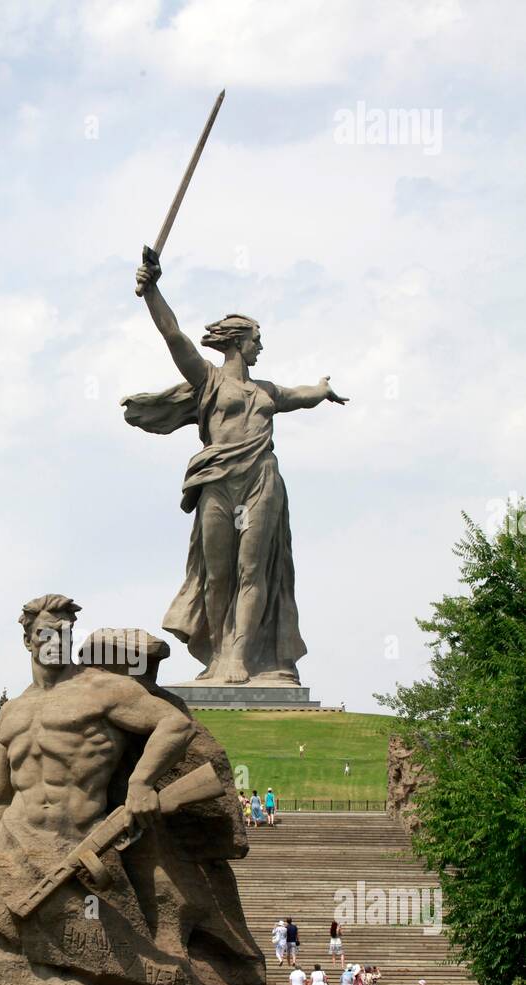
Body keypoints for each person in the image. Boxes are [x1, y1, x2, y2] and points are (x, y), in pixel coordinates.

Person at [127, 252, 347, 685]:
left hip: (261, 480)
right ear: (237, 341)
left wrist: (323, 390)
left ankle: (241, 659)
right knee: (217, 574)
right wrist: (152, 289)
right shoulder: (208, 379)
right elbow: (174, 337)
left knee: (254, 569)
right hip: (218, 481)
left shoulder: (267, 391)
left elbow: (301, 394)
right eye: (256, 339)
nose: (261, 346)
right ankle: (217, 656)